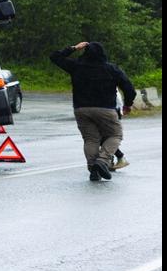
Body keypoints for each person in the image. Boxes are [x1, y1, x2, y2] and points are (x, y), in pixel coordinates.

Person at [51, 41, 136, 182]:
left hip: (81, 109)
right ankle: (102, 161)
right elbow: (129, 89)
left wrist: (73, 48)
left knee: (91, 139)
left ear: (85, 53)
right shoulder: (112, 69)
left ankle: (93, 170)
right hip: (106, 109)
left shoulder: (76, 66)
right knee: (115, 135)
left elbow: (54, 57)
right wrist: (127, 105)